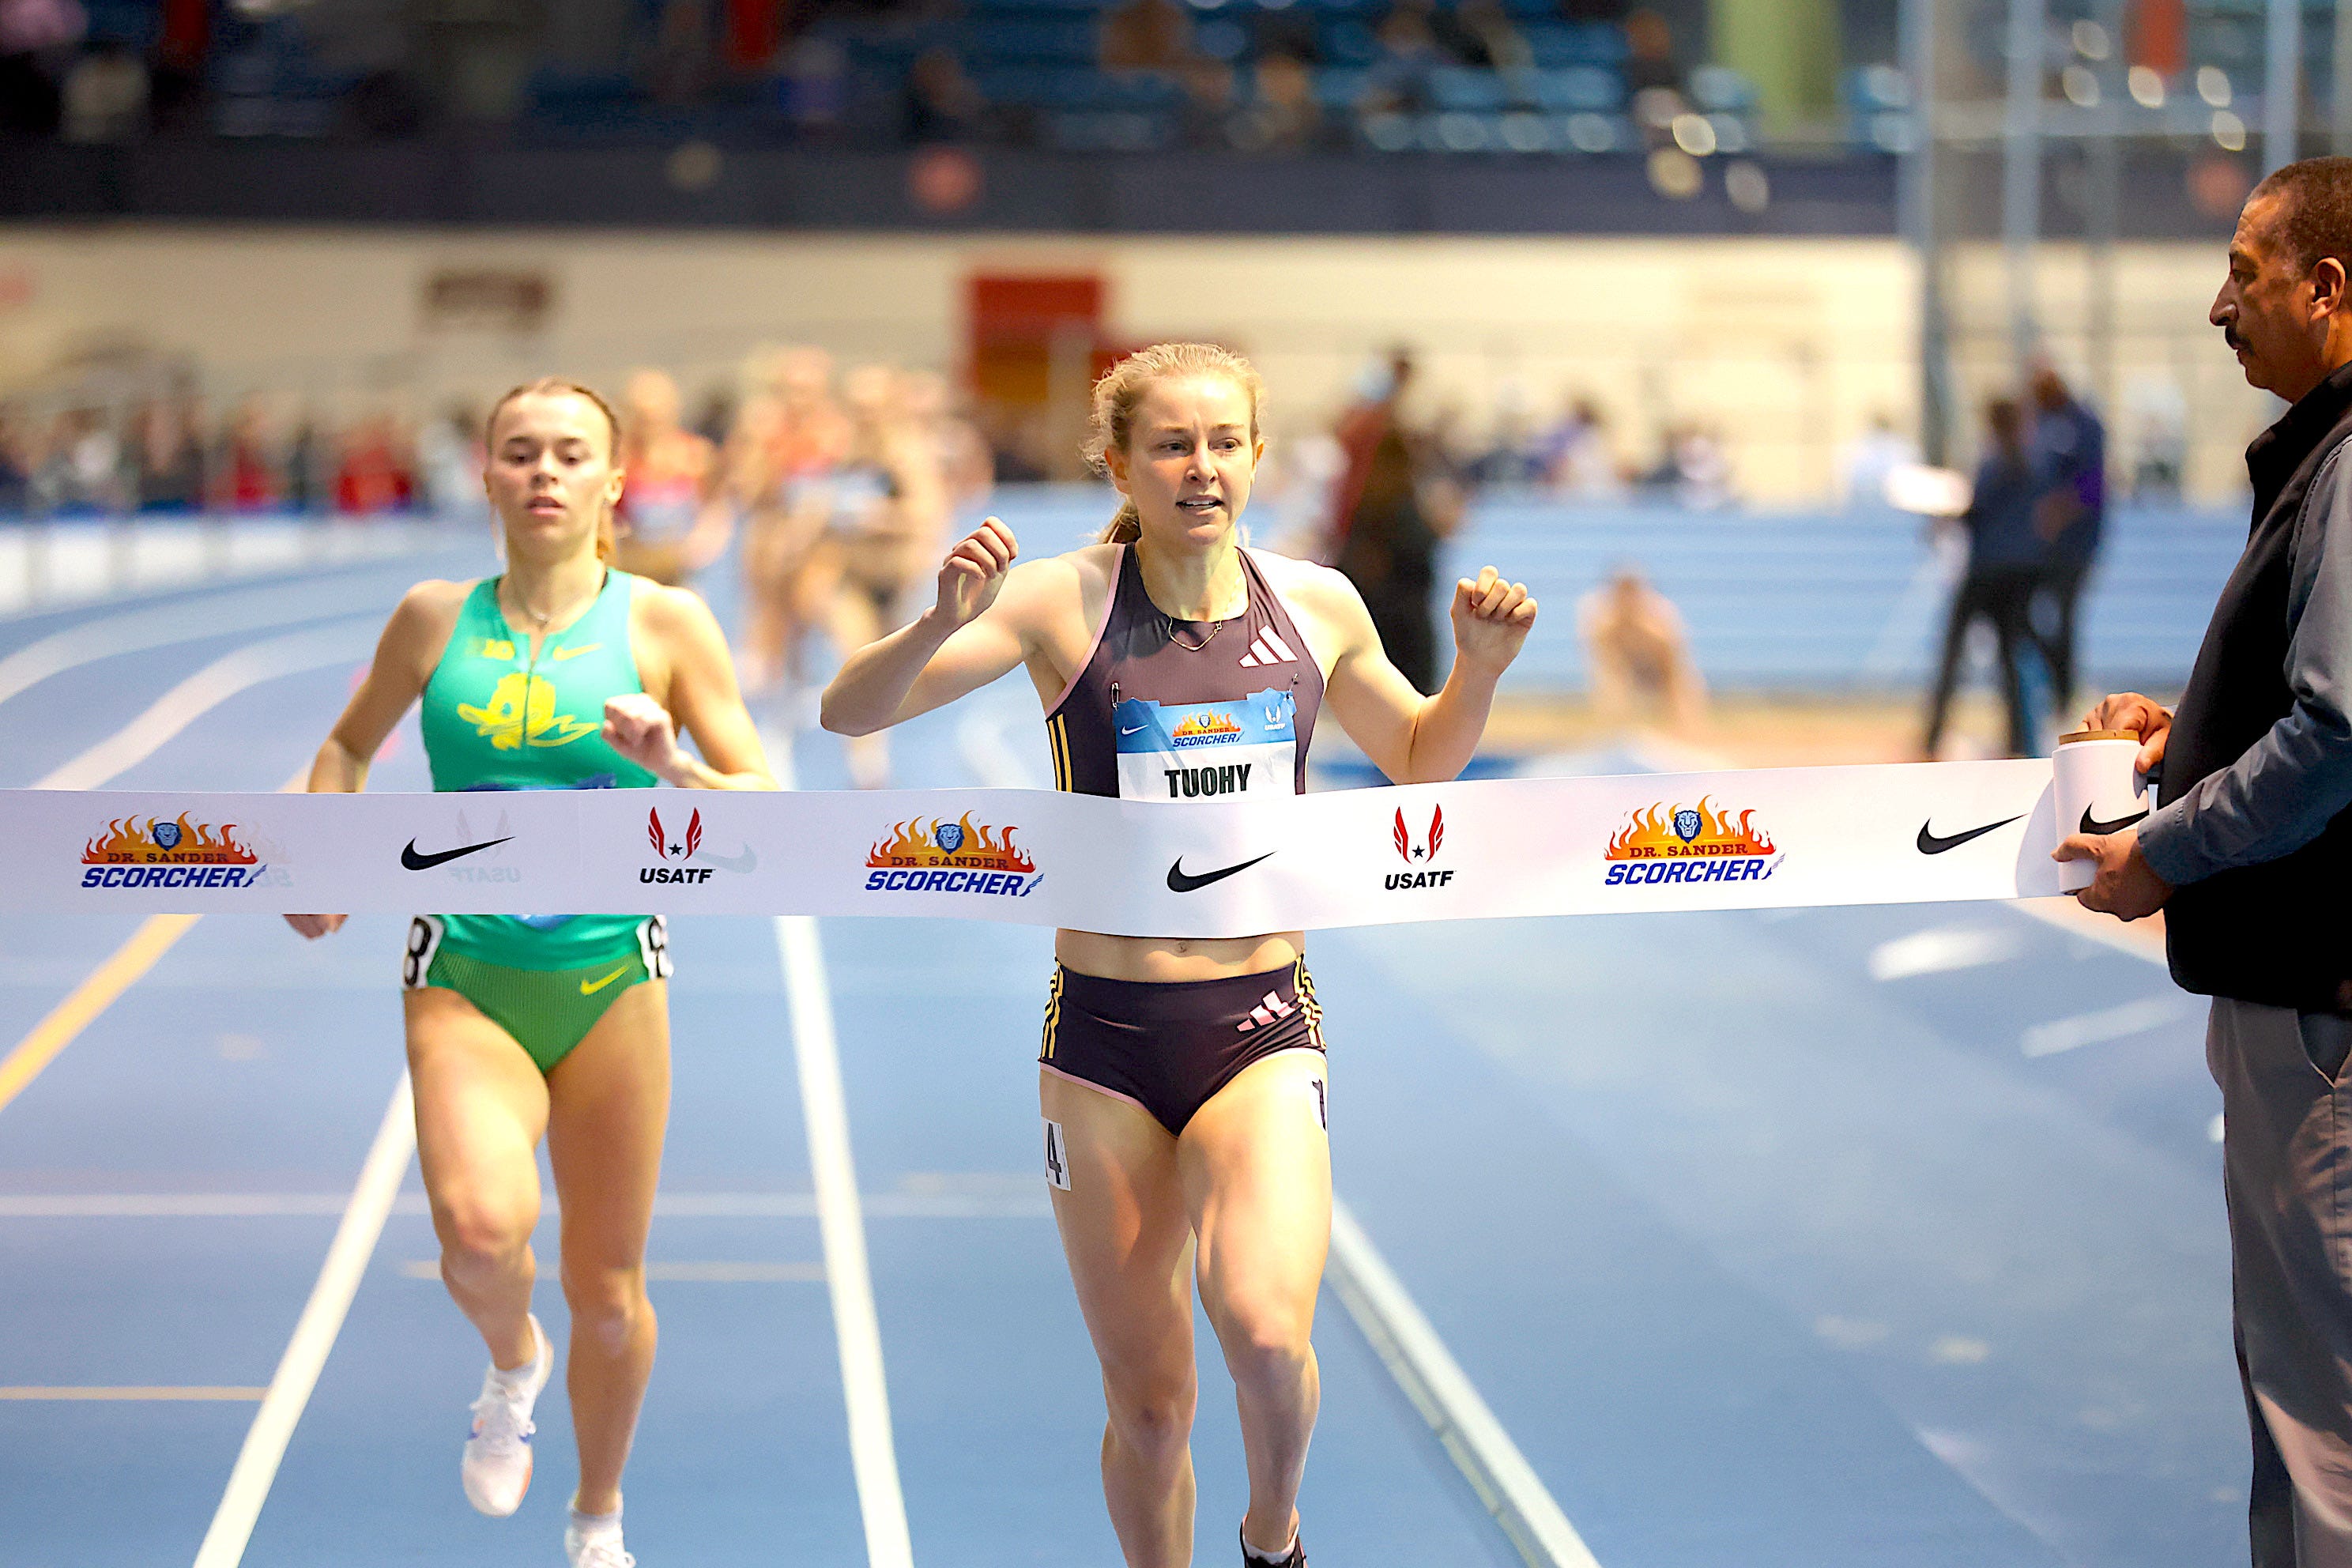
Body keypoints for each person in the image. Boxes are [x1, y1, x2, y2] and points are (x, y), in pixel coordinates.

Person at [820, 342, 1536, 1568]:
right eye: (1170, 445)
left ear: (1256, 457)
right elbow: (850, 711)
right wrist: (938, 621)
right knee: (1151, 1412)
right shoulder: (1061, 600)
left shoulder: (1316, 604)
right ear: (1120, 464)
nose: (1200, 467)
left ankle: (1272, 1535)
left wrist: (1476, 671)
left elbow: (1421, 758)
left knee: (1265, 1332)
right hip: (1101, 1047)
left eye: (1223, 443)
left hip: (1258, 1027)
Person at [285, 378, 775, 1568]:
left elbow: (763, 803)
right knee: (477, 1229)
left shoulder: (666, 624)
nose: (544, 472)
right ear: (489, 475)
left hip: (612, 977)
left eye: (569, 453)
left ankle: (598, 1518)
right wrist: (322, 852)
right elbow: (346, 743)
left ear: (613, 481)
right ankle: (513, 1363)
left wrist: (672, 765)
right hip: (465, 968)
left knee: (606, 1290)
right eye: (520, 452)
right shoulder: (430, 620)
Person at [2059, 156, 2352, 1568]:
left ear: (2327, 286)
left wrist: (2164, 848)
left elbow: (2338, 733)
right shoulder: (2324, 457)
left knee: (2322, 1430)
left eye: (2244, 273)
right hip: (2314, 1001)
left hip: (2321, 1021)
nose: (2218, 306)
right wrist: (2193, 748)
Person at [1922, 397, 2049, 759]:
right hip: (2020, 574)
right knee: (2010, 661)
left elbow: (1977, 510)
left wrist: (1945, 518)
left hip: (1986, 571)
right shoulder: (2032, 462)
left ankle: (1934, 736)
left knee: (1953, 654)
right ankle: (2018, 742)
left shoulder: (1994, 464)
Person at [2026, 363, 2107, 707]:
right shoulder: (2037, 423)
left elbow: (2093, 487)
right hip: (2038, 546)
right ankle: (2056, 679)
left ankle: (2063, 692)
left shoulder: (2084, 425)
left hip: (2076, 545)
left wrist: (2060, 510)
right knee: (2022, 615)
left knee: (2064, 617)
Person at [616, 368, 731, 588]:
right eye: (642, 417)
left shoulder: (696, 456)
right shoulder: (620, 463)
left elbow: (718, 511)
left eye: (656, 415)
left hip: (686, 572)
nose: (650, 424)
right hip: (637, 572)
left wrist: (696, 550)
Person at [1577, 564, 1705, 733]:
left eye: (1632, 593)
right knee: (1611, 681)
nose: (1628, 600)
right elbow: (1604, 664)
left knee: (1680, 686)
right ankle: (1616, 729)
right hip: (1624, 666)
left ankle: (1688, 728)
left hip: (1659, 666)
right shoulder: (1600, 614)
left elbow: (1675, 666)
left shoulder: (1660, 613)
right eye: (1623, 593)